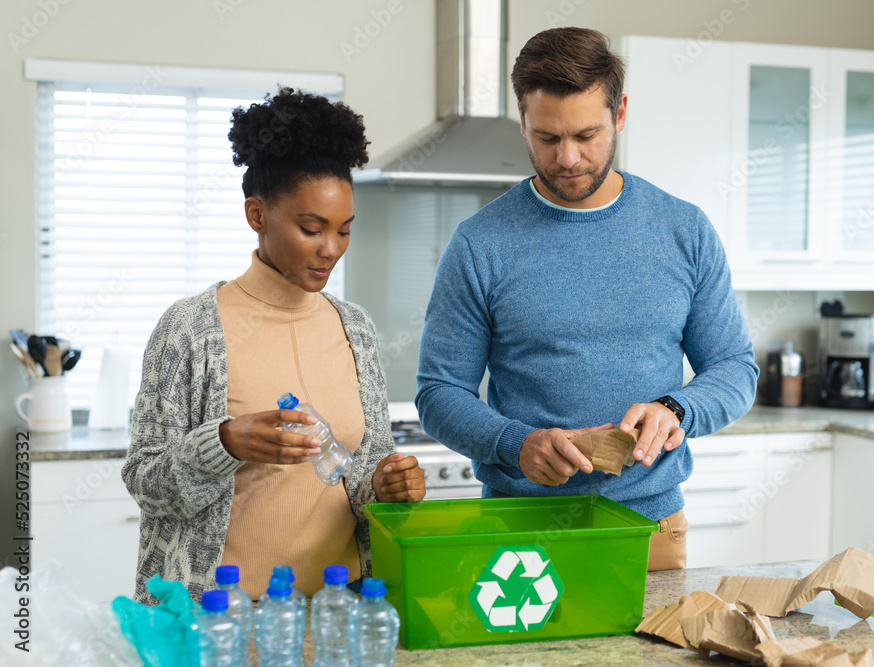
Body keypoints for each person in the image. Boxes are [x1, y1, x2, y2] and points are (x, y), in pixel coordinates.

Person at [415, 28, 758, 570]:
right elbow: (438, 393)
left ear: (619, 113)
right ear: (523, 121)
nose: (568, 157)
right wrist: (515, 443)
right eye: (547, 138)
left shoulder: (684, 230)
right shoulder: (480, 243)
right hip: (518, 534)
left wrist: (678, 409)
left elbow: (736, 369)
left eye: (586, 134)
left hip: (647, 527)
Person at [123, 88, 425, 604]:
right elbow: (146, 481)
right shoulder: (191, 328)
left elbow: (362, 458)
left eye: (345, 230)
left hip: (341, 603)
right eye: (311, 228)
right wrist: (225, 443)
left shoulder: (354, 326)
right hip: (223, 614)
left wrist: (386, 482)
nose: (331, 249)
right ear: (257, 215)